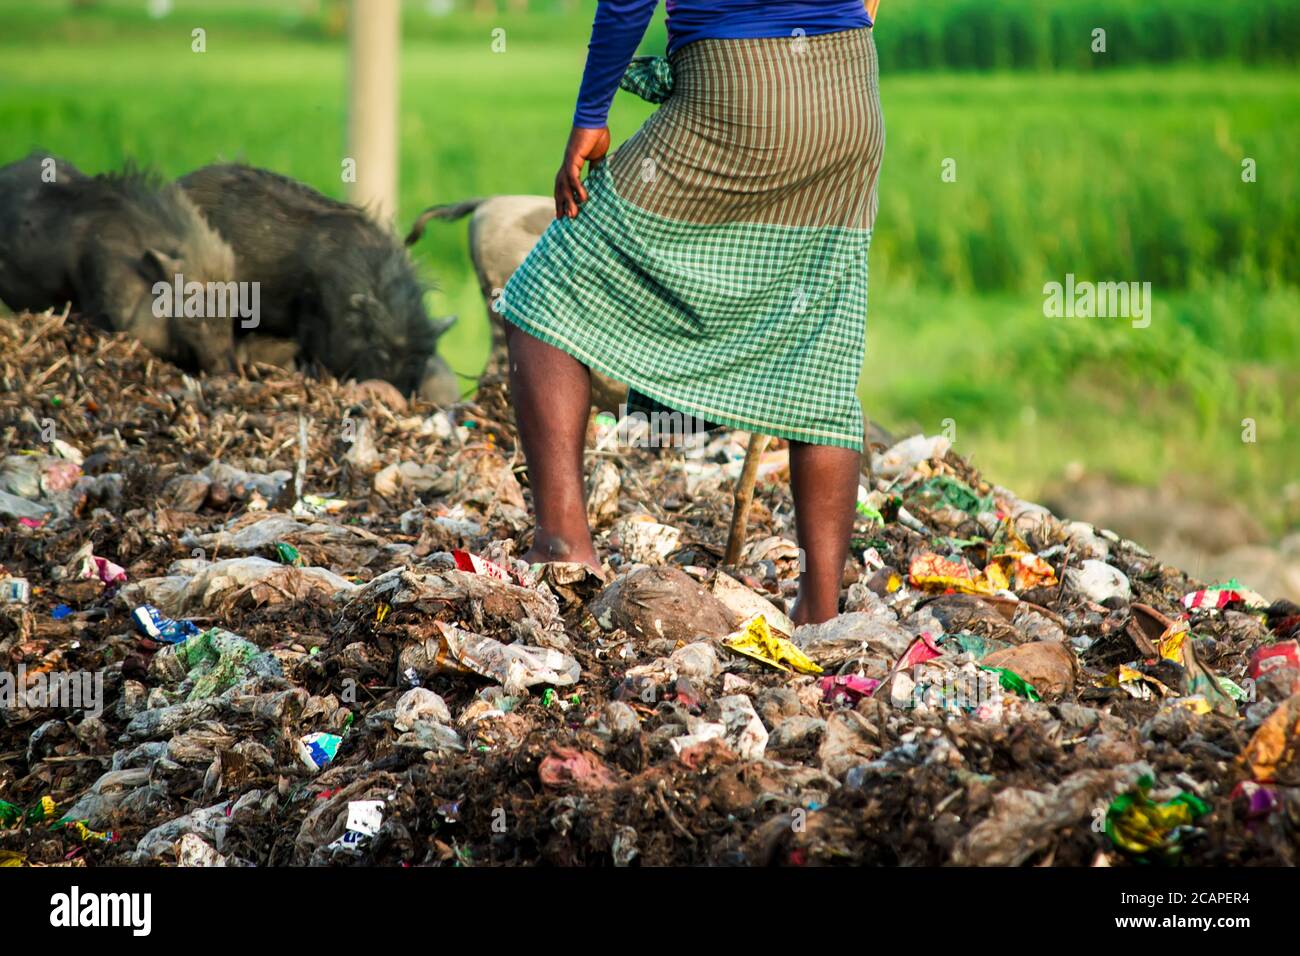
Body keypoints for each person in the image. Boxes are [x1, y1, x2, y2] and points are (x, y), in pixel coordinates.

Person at [499, 0, 885, 625]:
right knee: (820, 347)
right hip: (849, 99)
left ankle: (563, 545)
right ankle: (820, 607)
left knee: (545, 292)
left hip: (737, 92)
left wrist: (591, 115)